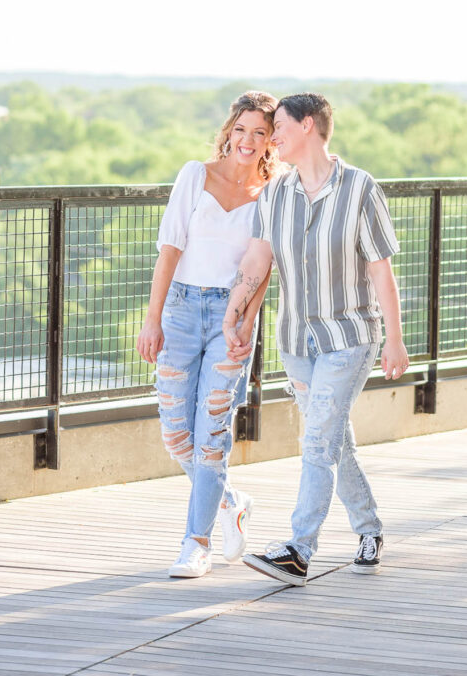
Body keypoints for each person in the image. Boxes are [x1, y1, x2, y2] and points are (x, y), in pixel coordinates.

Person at [221, 92, 408, 586]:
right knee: (333, 441)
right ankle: (370, 529)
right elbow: (257, 261)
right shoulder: (277, 194)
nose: (272, 136)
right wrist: (234, 313)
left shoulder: (360, 188)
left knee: (318, 440)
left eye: (277, 126)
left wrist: (395, 339)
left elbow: (381, 270)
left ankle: (299, 549)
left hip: (350, 337)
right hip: (297, 341)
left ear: (307, 126)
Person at [136, 91, 280, 579]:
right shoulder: (194, 175)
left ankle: (195, 544)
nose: (248, 139)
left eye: (260, 132)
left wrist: (245, 320)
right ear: (229, 130)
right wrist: (152, 318)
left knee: (212, 436)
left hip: (231, 315)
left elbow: (263, 269)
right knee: (177, 437)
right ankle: (229, 501)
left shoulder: (273, 192)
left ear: (270, 140)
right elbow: (170, 250)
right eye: (242, 129)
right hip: (178, 310)